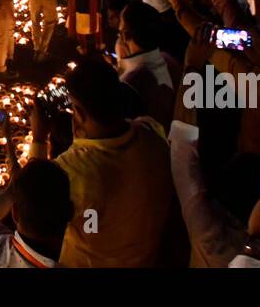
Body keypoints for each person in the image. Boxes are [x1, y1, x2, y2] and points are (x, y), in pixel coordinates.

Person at [26, 59, 175, 267]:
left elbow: (33, 202)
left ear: (79, 113)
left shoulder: (73, 170)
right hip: (146, 258)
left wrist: (39, 139)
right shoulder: (153, 136)